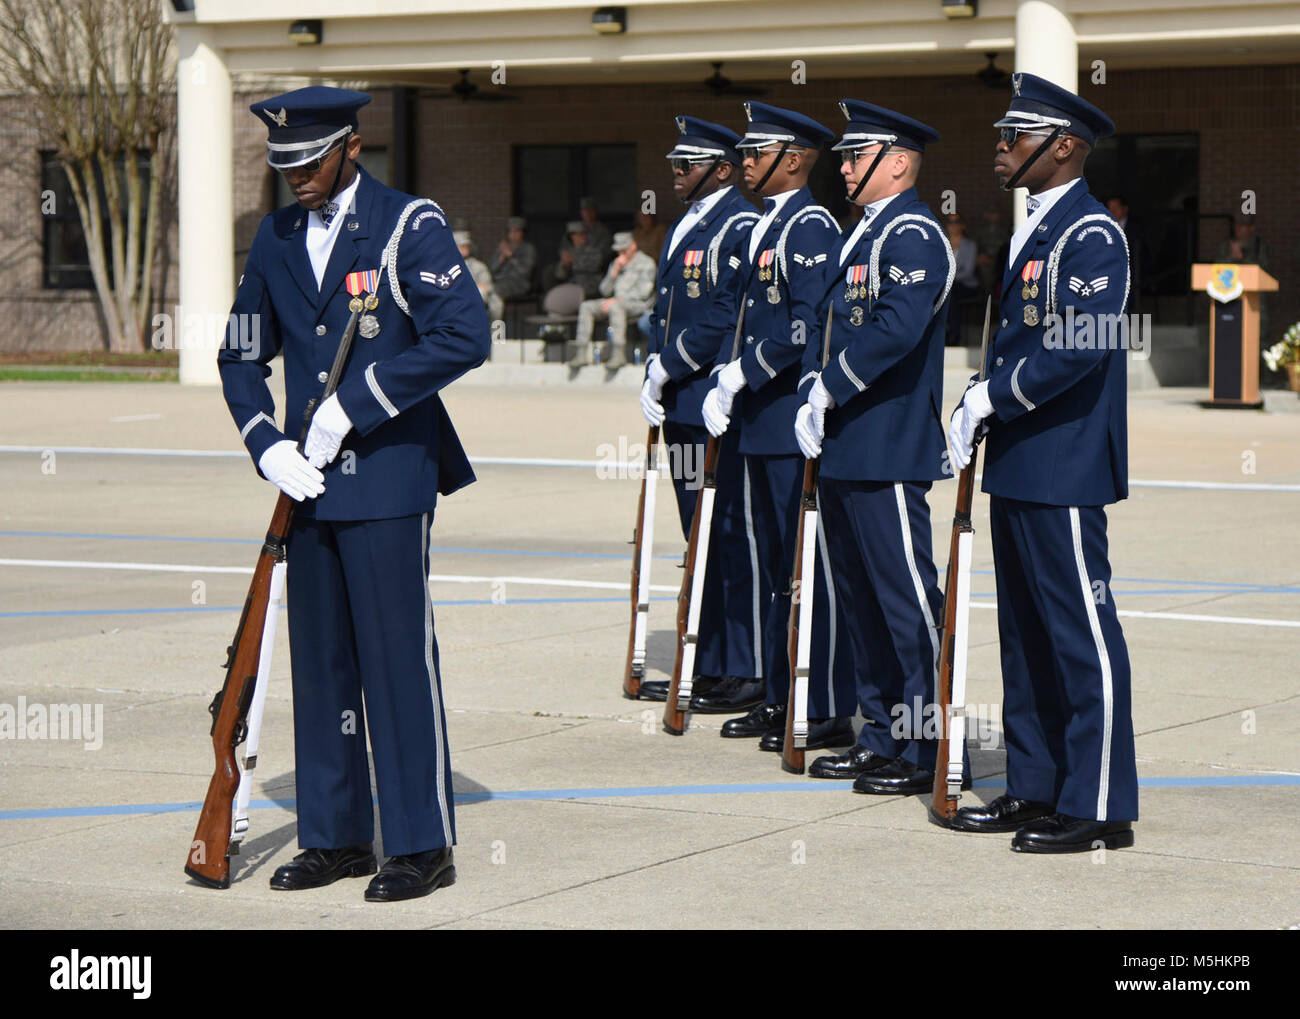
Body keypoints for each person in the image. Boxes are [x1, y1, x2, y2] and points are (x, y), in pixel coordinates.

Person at [217, 86, 490, 898]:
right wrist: (263, 440)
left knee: (396, 660)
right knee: (324, 665)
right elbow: (239, 351)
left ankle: (419, 841)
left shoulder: (410, 223)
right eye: (284, 164)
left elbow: (463, 334)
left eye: (308, 160)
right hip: (305, 482)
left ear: (350, 145)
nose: (295, 176)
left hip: (388, 475)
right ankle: (335, 835)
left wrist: (352, 405)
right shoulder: (276, 235)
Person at [946, 72, 1137, 853]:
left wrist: (994, 394)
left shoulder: (1092, 233)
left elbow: (1082, 346)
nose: (999, 149)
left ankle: (1096, 804)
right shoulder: (1038, 230)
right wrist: (981, 394)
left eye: (1013, 138)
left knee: (1079, 634)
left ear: (1063, 147)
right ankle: (1033, 784)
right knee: (1024, 634)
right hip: (1022, 458)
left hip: (1062, 462)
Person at [793, 100, 958, 791]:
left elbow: (894, 328)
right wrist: (811, 387)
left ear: (896, 163)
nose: (846, 166)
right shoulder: (861, 234)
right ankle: (882, 732)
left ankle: (927, 749)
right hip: (845, 445)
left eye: (856, 157)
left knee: (905, 599)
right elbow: (826, 322)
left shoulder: (914, 233)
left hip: (888, 445)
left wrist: (829, 385)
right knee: (861, 598)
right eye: (845, 157)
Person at [700, 101, 849, 745]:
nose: (745, 164)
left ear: (792, 161)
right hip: (757, 422)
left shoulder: (809, 225)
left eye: (756, 155)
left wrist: (744, 372)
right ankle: (777, 689)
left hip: (788, 422)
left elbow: (804, 325)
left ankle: (815, 703)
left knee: (799, 570)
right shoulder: (766, 224)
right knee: (768, 566)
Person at [634, 114, 763, 711]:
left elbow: (722, 317)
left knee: (729, 532)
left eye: (687, 166)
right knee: (700, 532)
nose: (677, 175)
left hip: (714, 403)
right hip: (683, 405)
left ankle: (745, 667)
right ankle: (709, 663)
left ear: (723, 169)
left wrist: (672, 363)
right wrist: (654, 370)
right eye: (675, 166)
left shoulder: (738, 223)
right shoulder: (689, 222)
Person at [569, 233, 656, 369]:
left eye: (624, 249)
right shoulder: (616, 263)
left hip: (637, 305)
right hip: (615, 302)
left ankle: (618, 353)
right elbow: (604, 291)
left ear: (633, 246)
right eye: (619, 250)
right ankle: (581, 352)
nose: (621, 253)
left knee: (616, 306)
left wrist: (616, 300)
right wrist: (613, 272)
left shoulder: (646, 263)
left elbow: (643, 293)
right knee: (586, 306)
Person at [944, 212, 980, 345]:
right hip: (947, 287)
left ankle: (953, 335)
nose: (953, 226)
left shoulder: (970, 245)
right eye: (950, 222)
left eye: (956, 222)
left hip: (966, 285)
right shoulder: (942, 243)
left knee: (950, 294)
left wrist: (948, 280)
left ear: (962, 226)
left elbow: (968, 272)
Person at [457, 229, 502, 323]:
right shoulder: (445, 266)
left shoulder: (478, 266)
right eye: (461, 246)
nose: (465, 248)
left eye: (467, 246)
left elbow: (485, 287)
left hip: (473, 305)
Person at [550, 220, 605, 298]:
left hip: (591, 285)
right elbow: (559, 275)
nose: (582, 237)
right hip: (571, 286)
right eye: (578, 235)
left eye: (583, 234)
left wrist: (574, 261)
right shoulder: (568, 251)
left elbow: (595, 266)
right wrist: (565, 265)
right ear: (571, 237)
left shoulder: (594, 250)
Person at [488, 215, 537, 301]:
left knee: (495, 291)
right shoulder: (503, 247)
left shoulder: (528, 248)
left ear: (523, 233)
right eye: (510, 231)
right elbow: (491, 269)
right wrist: (501, 258)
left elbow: (525, 271)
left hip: (519, 283)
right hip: (499, 280)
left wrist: (511, 256)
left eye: (516, 231)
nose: (513, 234)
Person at [579, 196, 613, 261]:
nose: (587, 213)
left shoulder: (603, 231)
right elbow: (565, 251)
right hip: (574, 267)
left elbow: (603, 254)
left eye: (590, 210)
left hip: (594, 267)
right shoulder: (575, 230)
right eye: (585, 210)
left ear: (595, 211)